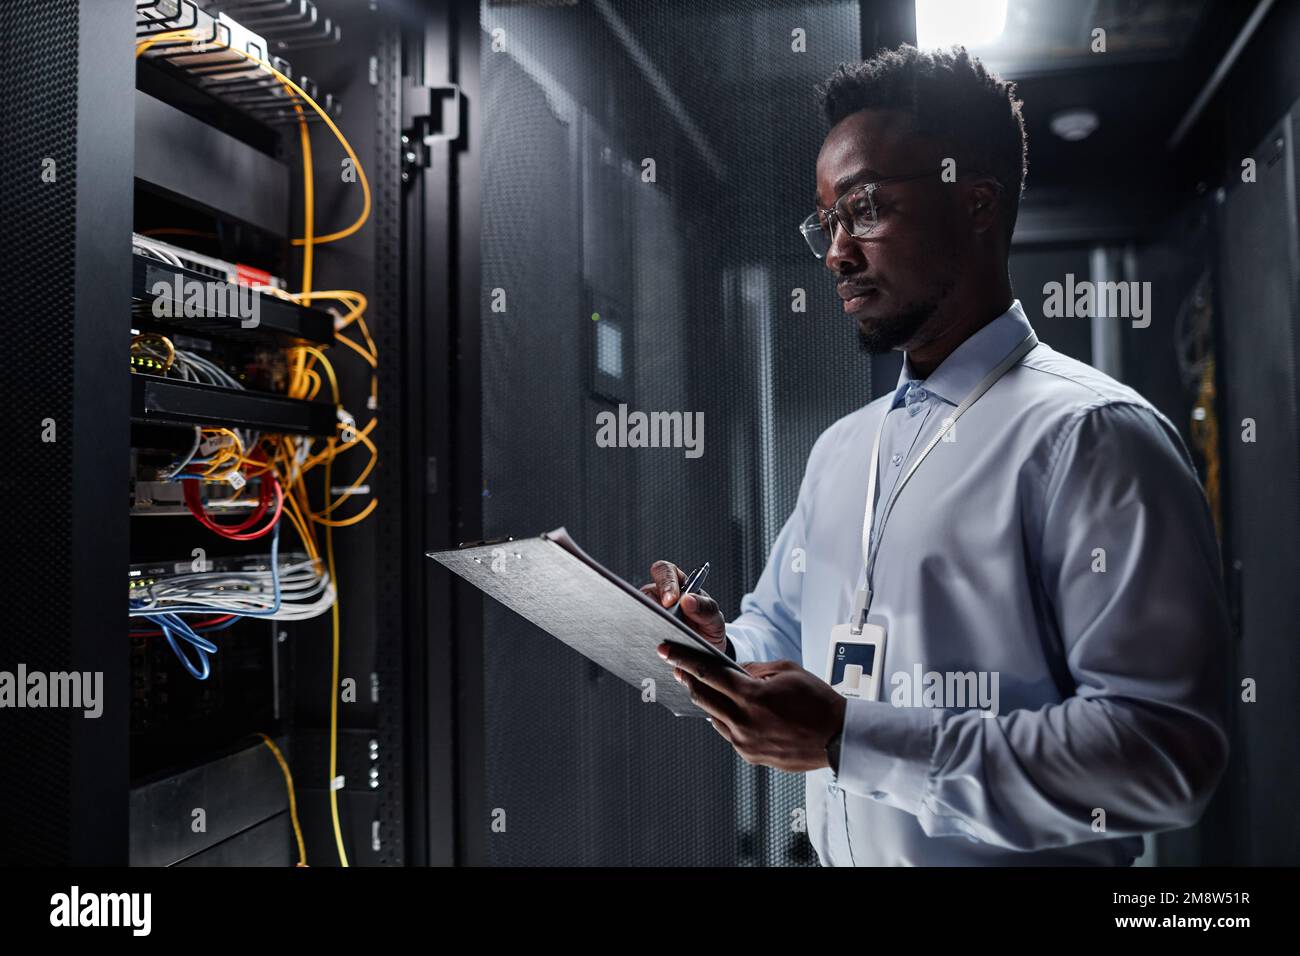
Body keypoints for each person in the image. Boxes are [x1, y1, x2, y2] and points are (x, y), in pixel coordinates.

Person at [641, 45, 1230, 866]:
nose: (836, 253)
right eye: (828, 221)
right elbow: (777, 626)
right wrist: (715, 647)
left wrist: (854, 739)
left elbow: (1160, 758)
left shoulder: (1092, 437)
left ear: (978, 201)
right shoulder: (843, 450)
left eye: (866, 209)